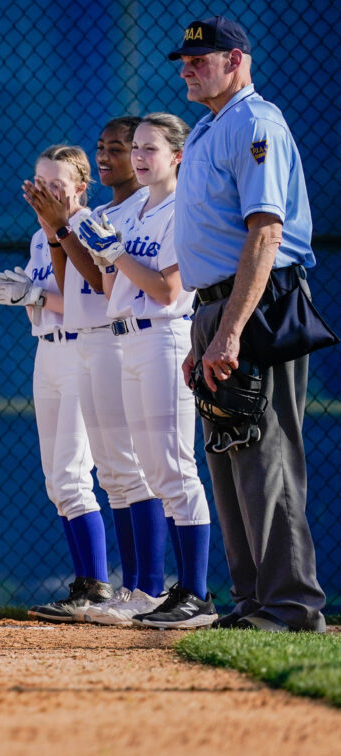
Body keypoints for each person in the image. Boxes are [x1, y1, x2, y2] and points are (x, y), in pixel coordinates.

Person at [168, 16, 326, 632]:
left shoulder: (255, 124)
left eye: (200, 59)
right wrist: (202, 330)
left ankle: (291, 605)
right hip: (217, 303)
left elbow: (266, 232)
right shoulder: (212, 127)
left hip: (256, 303)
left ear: (236, 60)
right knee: (230, 453)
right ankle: (253, 601)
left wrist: (230, 330)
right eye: (184, 58)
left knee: (267, 454)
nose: (187, 67)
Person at [77, 114, 217, 628]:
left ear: (177, 156)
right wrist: (105, 253)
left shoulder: (184, 209)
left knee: (175, 468)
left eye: (150, 148)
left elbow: (167, 290)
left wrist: (115, 253)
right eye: (135, 147)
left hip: (164, 336)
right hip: (130, 341)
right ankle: (176, 591)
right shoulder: (135, 209)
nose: (138, 156)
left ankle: (197, 594)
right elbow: (117, 280)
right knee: (155, 471)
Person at [22, 118, 161, 621]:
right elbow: (76, 278)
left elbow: (105, 289)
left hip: (110, 342)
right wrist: (55, 234)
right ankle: (122, 588)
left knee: (129, 470)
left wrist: (63, 230)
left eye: (120, 149)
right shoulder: (85, 218)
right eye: (104, 148)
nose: (109, 157)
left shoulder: (115, 215)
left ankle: (142, 586)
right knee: (96, 474)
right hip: (70, 346)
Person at [0, 145, 112, 621]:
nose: (48, 192)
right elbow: (48, 298)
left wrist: (35, 294)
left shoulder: (88, 225)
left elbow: (95, 299)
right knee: (58, 479)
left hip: (83, 347)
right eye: (41, 182)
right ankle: (86, 582)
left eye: (58, 184)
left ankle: (96, 586)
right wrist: (29, 297)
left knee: (75, 475)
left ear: (81, 187)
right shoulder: (43, 237)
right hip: (49, 350)